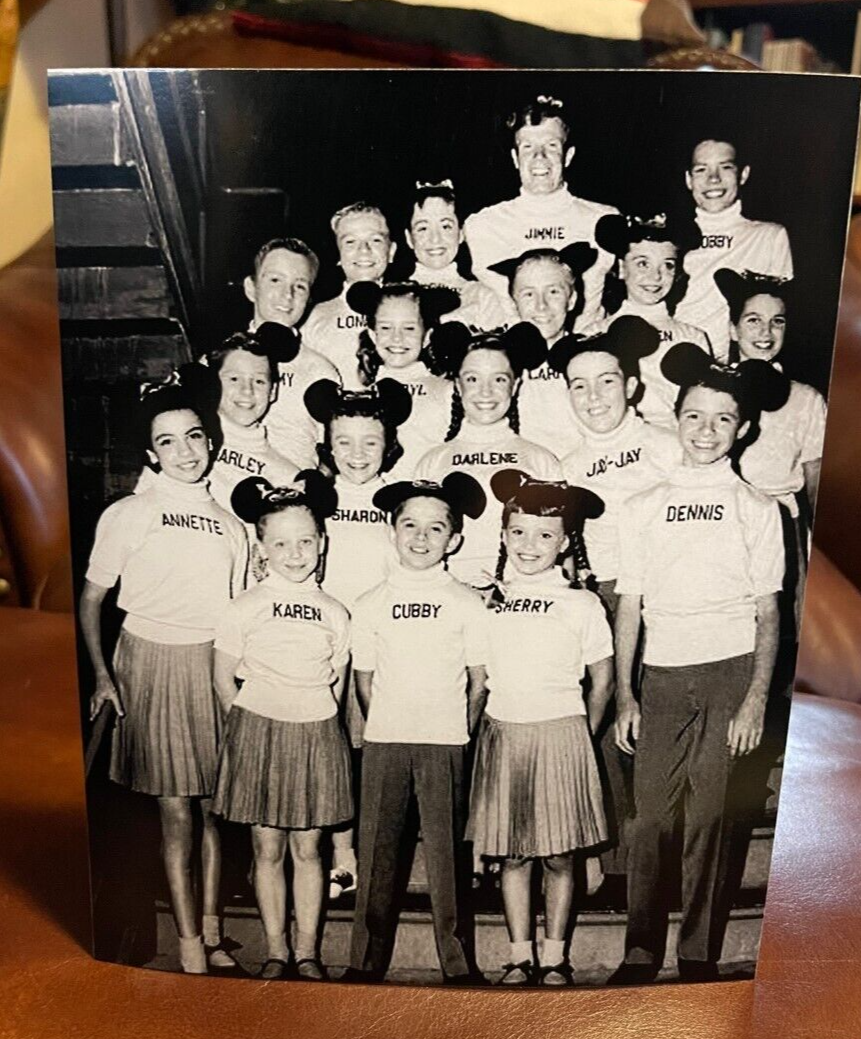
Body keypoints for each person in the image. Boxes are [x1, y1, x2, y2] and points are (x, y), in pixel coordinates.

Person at [608, 343, 789, 985]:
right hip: (662, 673)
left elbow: (769, 614)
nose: (706, 431)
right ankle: (639, 951)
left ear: (744, 428)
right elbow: (629, 605)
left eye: (722, 419)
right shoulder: (642, 504)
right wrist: (625, 695)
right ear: (676, 418)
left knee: (711, 816)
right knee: (650, 818)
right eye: (694, 416)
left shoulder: (759, 508)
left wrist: (755, 698)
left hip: (730, 671)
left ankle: (696, 954)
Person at [79, 378, 249, 975]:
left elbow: (237, 614)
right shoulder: (130, 513)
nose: (185, 451)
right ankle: (189, 947)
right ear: (152, 453)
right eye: (168, 442)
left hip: (210, 665)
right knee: (176, 811)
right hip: (149, 660)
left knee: (213, 810)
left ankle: (213, 932)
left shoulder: (232, 525)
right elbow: (92, 600)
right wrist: (103, 676)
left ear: (211, 442)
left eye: (194, 437)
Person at [467, 470, 612, 986]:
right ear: (504, 535)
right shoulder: (488, 601)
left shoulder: (582, 603)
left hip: (561, 734)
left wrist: (579, 737)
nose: (530, 545)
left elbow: (602, 681)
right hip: (504, 734)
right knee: (513, 855)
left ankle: (554, 958)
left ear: (565, 542)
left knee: (559, 856)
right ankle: (519, 955)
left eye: (545, 535)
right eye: (519, 532)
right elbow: (478, 678)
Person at [548, 317, 680, 886]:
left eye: (606, 382)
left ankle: (662, 857)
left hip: (667, 599)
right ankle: (616, 857)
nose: (593, 396)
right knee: (605, 732)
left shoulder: (667, 445)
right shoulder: (567, 464)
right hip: (602, 599)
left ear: (631, 385)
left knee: (660, 726)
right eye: (579, 385)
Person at [343, 474, 489, 985]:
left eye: (435, 528)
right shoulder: (370, 602)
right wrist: (386, 722)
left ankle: (458, 965)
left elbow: (479, 681)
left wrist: (458, 732)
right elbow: (363, 680)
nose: (421, 537)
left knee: (448, 858)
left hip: (445, 742)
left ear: (455, 539)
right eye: (409, 525)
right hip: (385, 740)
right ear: (392, 531)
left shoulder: (467, 602)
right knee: (377, 853)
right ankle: (365, 962)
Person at [212, 473, 353, 981]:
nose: (295, 554)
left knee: (309, 849)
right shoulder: (244, 606)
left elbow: (338, 684)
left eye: (305, 542)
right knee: (267, 848)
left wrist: (317, 727)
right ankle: (276, 950)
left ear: (322, 543)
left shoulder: (335, 613)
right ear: (263, 548)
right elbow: (223, 680)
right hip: (259, 732)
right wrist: (250, 734)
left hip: (316, 732)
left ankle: (308, 952)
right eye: (281, 544)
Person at [304, 376, 413, 898]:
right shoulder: (314, 497)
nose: (357, 453)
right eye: (343, 442)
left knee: (373, 749)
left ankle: (377, 852)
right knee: (330, 751)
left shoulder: (399, 500)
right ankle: (340, 852)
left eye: (370, 442)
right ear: (327, 445)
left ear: (388, 446)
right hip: (325, 644)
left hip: (380, 646)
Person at [715, 267, 826, 634]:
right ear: (733, 329)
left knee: (785, 632)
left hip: (783, 527)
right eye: (753, 320)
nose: (765, 332)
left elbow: (816, 484)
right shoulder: (711, 392)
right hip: (723, 524)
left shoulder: (806, 399)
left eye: (777, 321)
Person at [415, 321, 562, 589]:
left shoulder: (541, 461)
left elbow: (558, 542)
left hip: (522, 596)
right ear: (457, 385)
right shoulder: (432, 462)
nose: (486, 391)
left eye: (499, 379)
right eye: (473, 379)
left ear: (515, 385)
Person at [463, 95, 617, 328]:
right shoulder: (483, 225)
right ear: (515, 158)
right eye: (528, 147)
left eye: (551, 145)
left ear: (568, 156)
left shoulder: (604, 219)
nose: (539, 157)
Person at [673, 138, 793, 361]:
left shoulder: (769, 236)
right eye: (701, 169)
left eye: (725, 167)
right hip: (675, 361)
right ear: (689, 179)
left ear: (743, 174)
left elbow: (778, 318)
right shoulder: (668, 236)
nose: (713, 178)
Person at [593, 213, 711, 427]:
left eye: (668, 265)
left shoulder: (694, 337)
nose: (656, 276)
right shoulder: (594, 334)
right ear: (621, 268)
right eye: (642, 264)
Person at [487, 242, 598, 456]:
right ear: (514, 302)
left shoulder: (593, 358)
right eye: (529, 294)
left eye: (553, 292)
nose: (541, 305)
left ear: (572, 300)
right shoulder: (496, 361)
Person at [243, 237, 339, 468]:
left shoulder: (320, 372)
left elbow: (333, 458)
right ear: (251, 288)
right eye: (275, 280)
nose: (287, 295)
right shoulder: (216, 361)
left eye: (300, 286)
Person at [346, 280, 459, 477]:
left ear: (427, 337)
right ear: (372, 335)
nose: (397, 338)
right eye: (386, 328)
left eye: (409, 328)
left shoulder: (447, 391)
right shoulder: (359, 394)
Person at [302, 202, 396, 390]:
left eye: (375, 240)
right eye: (350, 242)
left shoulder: (414, 311)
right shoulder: (312, 318)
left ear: (391, 251)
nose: (364, 250)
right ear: (338, 253)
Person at [405, 179, 516, 329]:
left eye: (446, 226)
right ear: (409, 238)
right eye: (423, 228)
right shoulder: (393, 294)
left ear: (461, 233)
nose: (435, 238)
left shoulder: (481, 295)